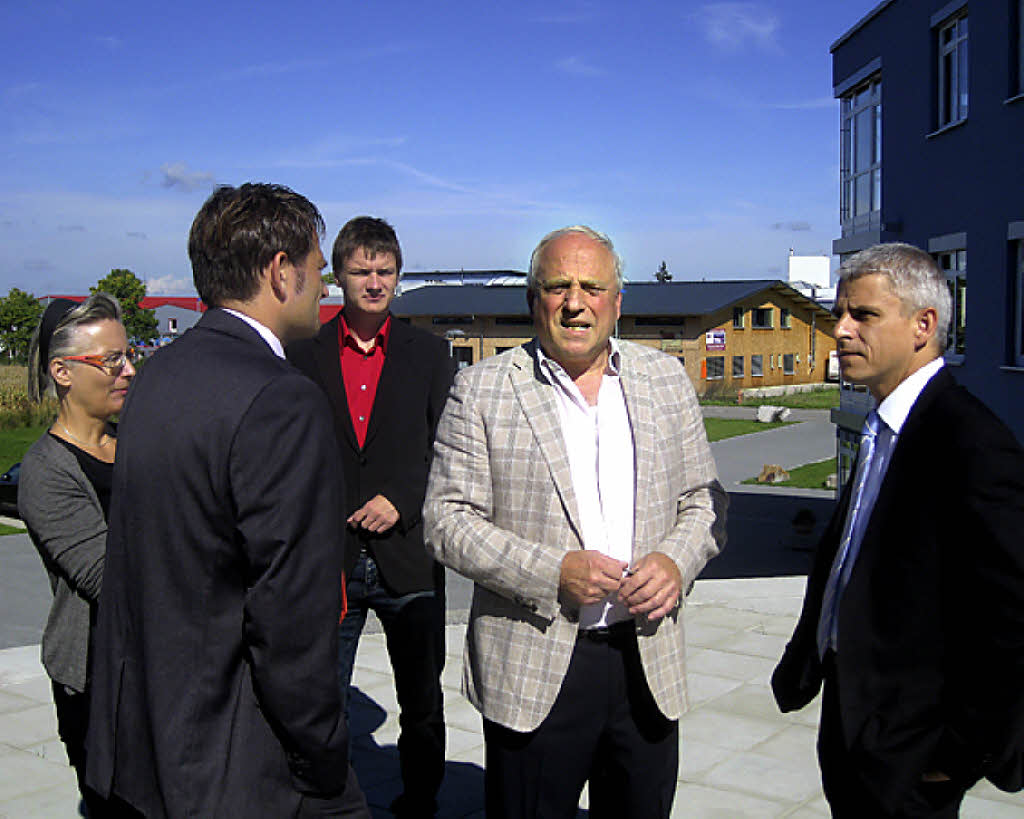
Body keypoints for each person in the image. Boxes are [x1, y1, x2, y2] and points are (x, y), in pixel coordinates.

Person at [423, 225, 727, 818]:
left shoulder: (664, 380)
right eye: (558, 286)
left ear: (618, 300)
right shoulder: (482, 388)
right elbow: (445, 519)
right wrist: (551, 571)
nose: (575, 301)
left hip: (646, 661)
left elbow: (704, 497)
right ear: (533, 299)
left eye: (592, 286)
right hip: (536, 664)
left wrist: (675, 561)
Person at [86, 183, 369, 818]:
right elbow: (291, 616)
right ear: (279, 272)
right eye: (319, 268)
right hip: (241, 764)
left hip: (143, 746)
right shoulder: (281, 399)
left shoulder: (157, 375)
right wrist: (324, 757)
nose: (325, 287)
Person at [772, 243, 1024, 818]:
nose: (840, 330)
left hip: (914, 753)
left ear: (923, 326)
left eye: (863, 315)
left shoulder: (972, 442)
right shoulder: (882, 428)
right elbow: (851, 557)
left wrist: (959, 757)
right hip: (854, 718)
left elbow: (1011, 621)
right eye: (840, 313)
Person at [287, 216, 454, 817]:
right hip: (330, 560)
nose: (374, 282)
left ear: (398, 277)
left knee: (421, 700)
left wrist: (404, 500)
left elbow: (448, 448)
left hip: (407, 557)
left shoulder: (431, 355)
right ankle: (328, 801)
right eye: (361, 271)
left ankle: (421, 802)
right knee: (320, 698)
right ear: (338, 278)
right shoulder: (300, 353)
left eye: (384, 271)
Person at [19, 293, 136, 816]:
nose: (128, 370)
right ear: (62, 372)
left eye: (128, 355)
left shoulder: (137, 441)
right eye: (111, 361)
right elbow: (108, 576)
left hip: (161, 665)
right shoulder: (46, 472)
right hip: (97, 678)